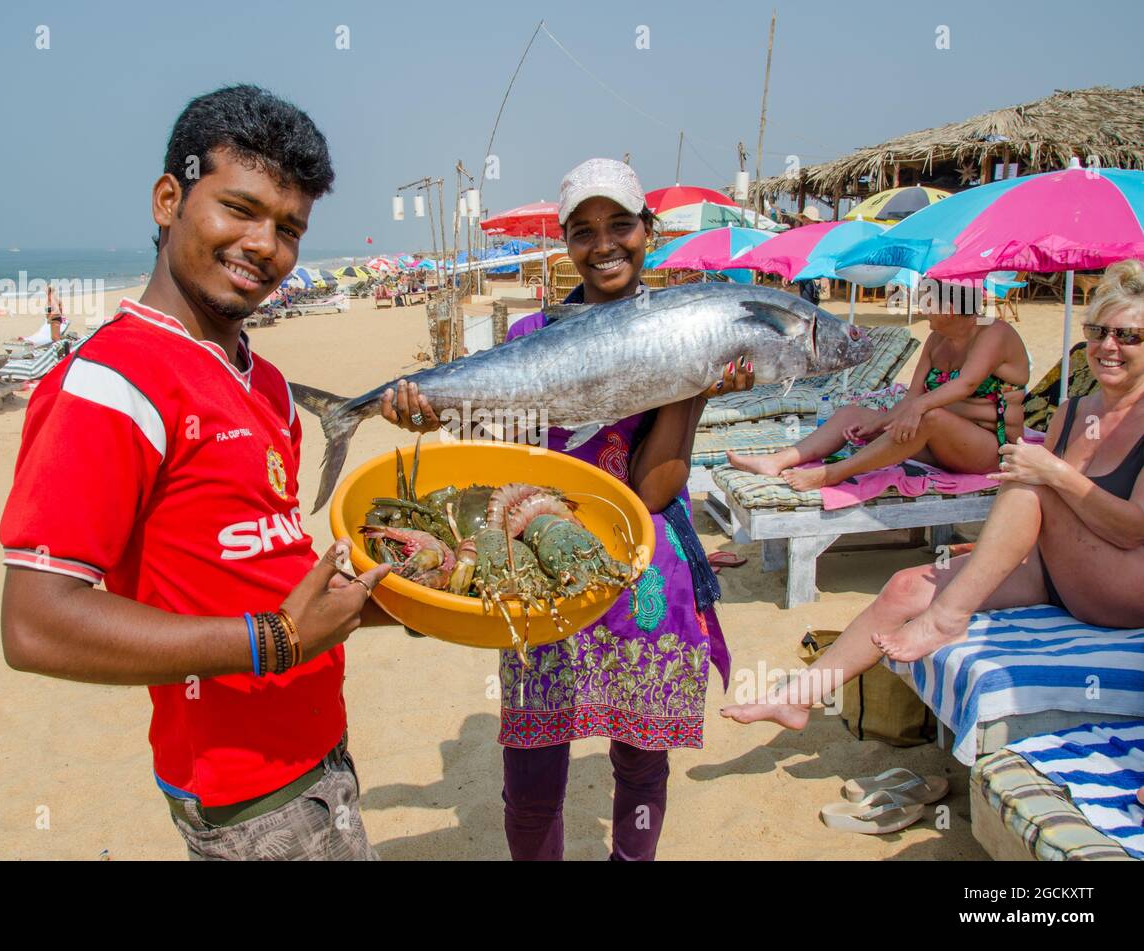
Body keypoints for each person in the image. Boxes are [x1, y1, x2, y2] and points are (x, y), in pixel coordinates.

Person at [0, 85, 393, 861]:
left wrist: (412, 597)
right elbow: (35, 623)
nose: (264, 245)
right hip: (243, 795)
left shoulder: (270, 385)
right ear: (169, 199)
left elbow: (260, 564)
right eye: (238, 209)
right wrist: (275, 641)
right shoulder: (112, 382)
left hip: (320, 751)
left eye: (289, 228)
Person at [381, 158, 752, 860]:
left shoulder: (685, 327)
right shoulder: (528, 341)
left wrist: (695, 383)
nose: (603, 243)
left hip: (643, 561)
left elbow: (650, 490)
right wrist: (431, 413)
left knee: (642, 760)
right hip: (538, 561)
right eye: (584, 230)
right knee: (532, 770)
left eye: (620, 224)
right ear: (566, 242)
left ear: (649, 230)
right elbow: (507, 454)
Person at [722, 259, 1144, 730]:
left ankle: (947, 616)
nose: (1109, 346)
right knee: (906, 584)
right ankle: (795, 698)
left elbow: (1132, 531)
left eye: (1129, 336)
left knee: (1029, 477)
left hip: (1121, 588)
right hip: (1061, 569)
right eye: (1098, 331)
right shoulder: (1072, 412)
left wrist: (1053, 475)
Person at [728, 282, 1030, 491]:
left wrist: (915, 409)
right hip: (935, 443)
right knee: (851, 414)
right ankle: (776, 461)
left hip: (989, 450)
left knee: (930, 417)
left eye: (928, 302)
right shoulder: (937, 341)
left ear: (949, 308)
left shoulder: (994, 331)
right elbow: (912, 397)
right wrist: (877, 423)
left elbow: (968, 384)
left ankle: (833, 474)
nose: (921, 309)